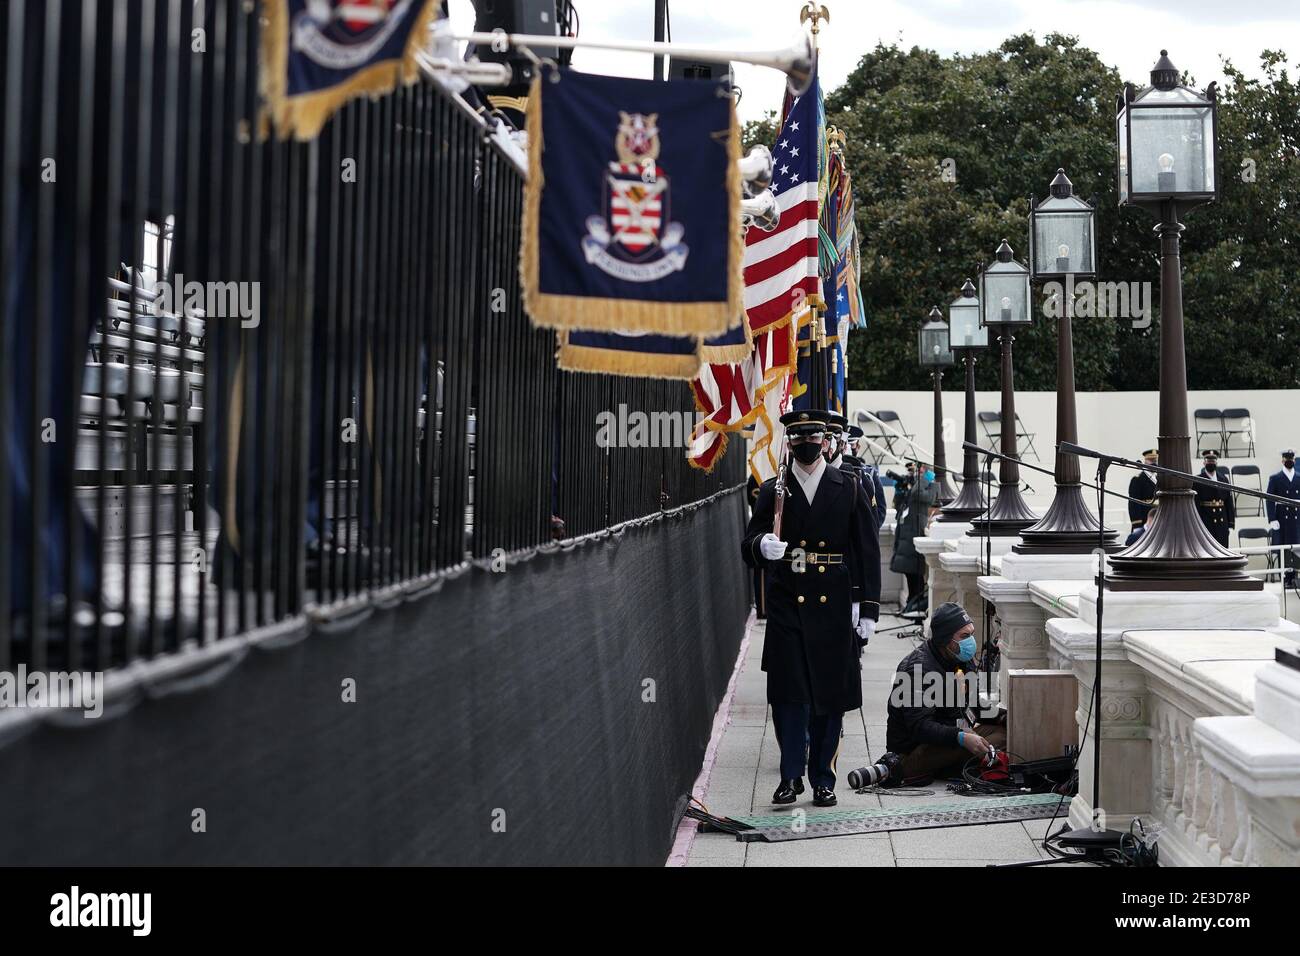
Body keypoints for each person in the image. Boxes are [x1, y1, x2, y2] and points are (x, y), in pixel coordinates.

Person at [741, 409, 882, 808]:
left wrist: (867, 607)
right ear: (790, 442)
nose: (806, 445)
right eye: (798, 438)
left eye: (813, 437)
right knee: (789, 696)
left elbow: (867, 551)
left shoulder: (849, 487)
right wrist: (761, 546)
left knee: (829, 698)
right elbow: (748, 546)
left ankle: (824, 777)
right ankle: (790, 778)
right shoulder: (774, 491)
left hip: (834, 603)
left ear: (825, 441)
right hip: (788, 603)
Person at [885, 602, 1006, 782]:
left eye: (972, 634)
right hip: (913, 751)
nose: (970, 642)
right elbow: (920, 727)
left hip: (950, 735)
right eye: (964, 636)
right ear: (945, 639)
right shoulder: (917, 669)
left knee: (1006, 733)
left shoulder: (960, 660)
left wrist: (1003, 717)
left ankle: (959, 763)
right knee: (977, 743)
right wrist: (961, 737)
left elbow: (974, 704)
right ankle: (950, 766)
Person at [890, 461, 937, 614]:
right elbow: (898, 507)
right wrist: (900, 490)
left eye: (919, 470)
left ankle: (913, 606)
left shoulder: (929, 485)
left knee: (916, 575)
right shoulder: (914, 485)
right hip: (905, 535)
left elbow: (924, 497)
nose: (915, 473)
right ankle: (910, 605)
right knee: (909, 573)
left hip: (914, 533)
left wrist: (924, 478)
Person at [843, 425, 888, 530]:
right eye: (846, 444)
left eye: (851, 444)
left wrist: (871, 530)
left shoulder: (869, 474)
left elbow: (880, 509)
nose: (848, 448)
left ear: (858, 447)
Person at [1266, 449, 1300, 588]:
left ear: (1295, 460)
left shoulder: (1299, 477)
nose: (1289, 461)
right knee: (1284, 548)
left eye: (1291, 459)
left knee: (1297, 548)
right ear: (1282, 460)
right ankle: (1285, 578)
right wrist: (1272, 518)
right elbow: (1269, 499)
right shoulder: (1275, 478)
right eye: (1286, 459)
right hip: (1282, 519)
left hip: (1297, 519)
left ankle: (1295, 577)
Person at [1194, 449, 1234, 548]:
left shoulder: (1223, 479)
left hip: (1222, 520)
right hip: (1206, 519)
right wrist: (1197, 523)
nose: (1211, 463)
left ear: (1216, 462)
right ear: (1204, 462)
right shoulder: (1198, 480)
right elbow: (1196, 503)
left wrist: (1231, 522)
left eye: (1213, 461)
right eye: (1208, 461)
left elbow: (1228, 501)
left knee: (1223, 548)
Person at [1127, 448, 1158, 537]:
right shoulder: (1137, 479)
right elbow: (1133, 504)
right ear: (1145, 461)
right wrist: (1137, 525)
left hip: (1159, 520)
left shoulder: (1161, 478)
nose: (1154, 463)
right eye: (1151, 460)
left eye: (1155, 460)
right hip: (1145, 520)